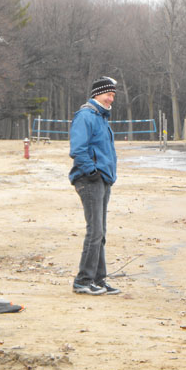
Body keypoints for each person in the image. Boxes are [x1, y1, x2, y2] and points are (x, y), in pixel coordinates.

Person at [68, 76, 120, 295]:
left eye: (113, 95)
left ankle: (98, 279)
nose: (111, 99)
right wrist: (92, 172)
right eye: (108, 94)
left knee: (101, 232)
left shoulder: (101, 117)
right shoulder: (86, 116)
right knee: (95, 231)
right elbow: (78, 149)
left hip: (103, 179)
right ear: (97, 94)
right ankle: (83, 280)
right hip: (90, 180)